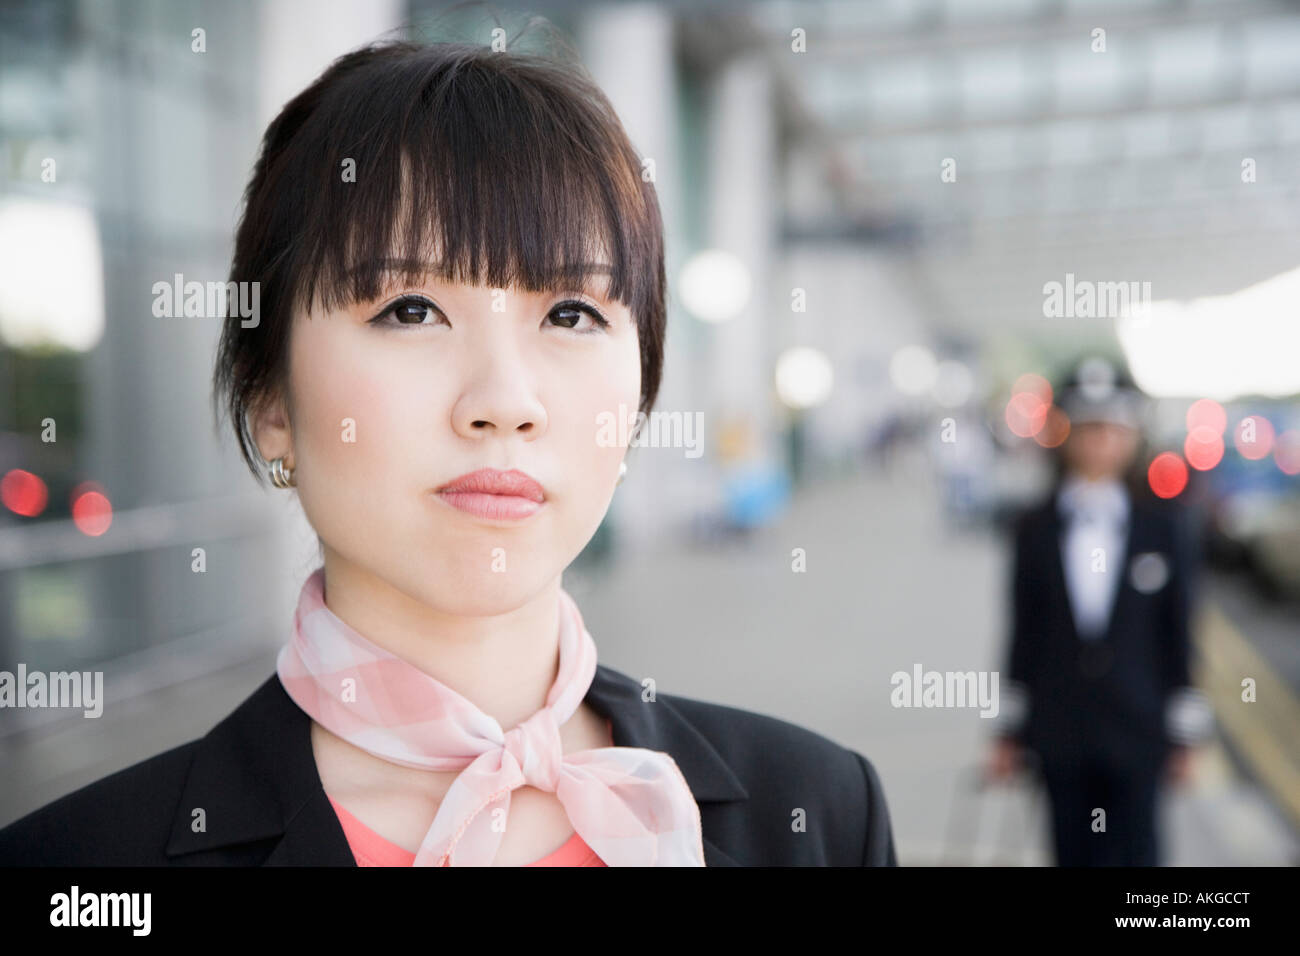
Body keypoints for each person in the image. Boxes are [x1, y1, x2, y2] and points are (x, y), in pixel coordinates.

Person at [0, 36, 896, 867]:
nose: (504, 402)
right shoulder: (81, 864)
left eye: (571, 314)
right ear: (271, 399)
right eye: (410, 310)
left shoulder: (816, 813)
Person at [987, 357, 1211, 866]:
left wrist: (1187, 730)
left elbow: (1179, 629)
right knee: (1069, 850)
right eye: (1087, 429)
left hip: (1138, 726)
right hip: (1060, 728)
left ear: (1133, 436)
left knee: (1140, 853)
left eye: (1113, 429)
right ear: (1065, 436)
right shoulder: (1035, 526)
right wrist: (1007, 731)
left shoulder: (1165, 525)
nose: (1100, 442)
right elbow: (1023, 632)